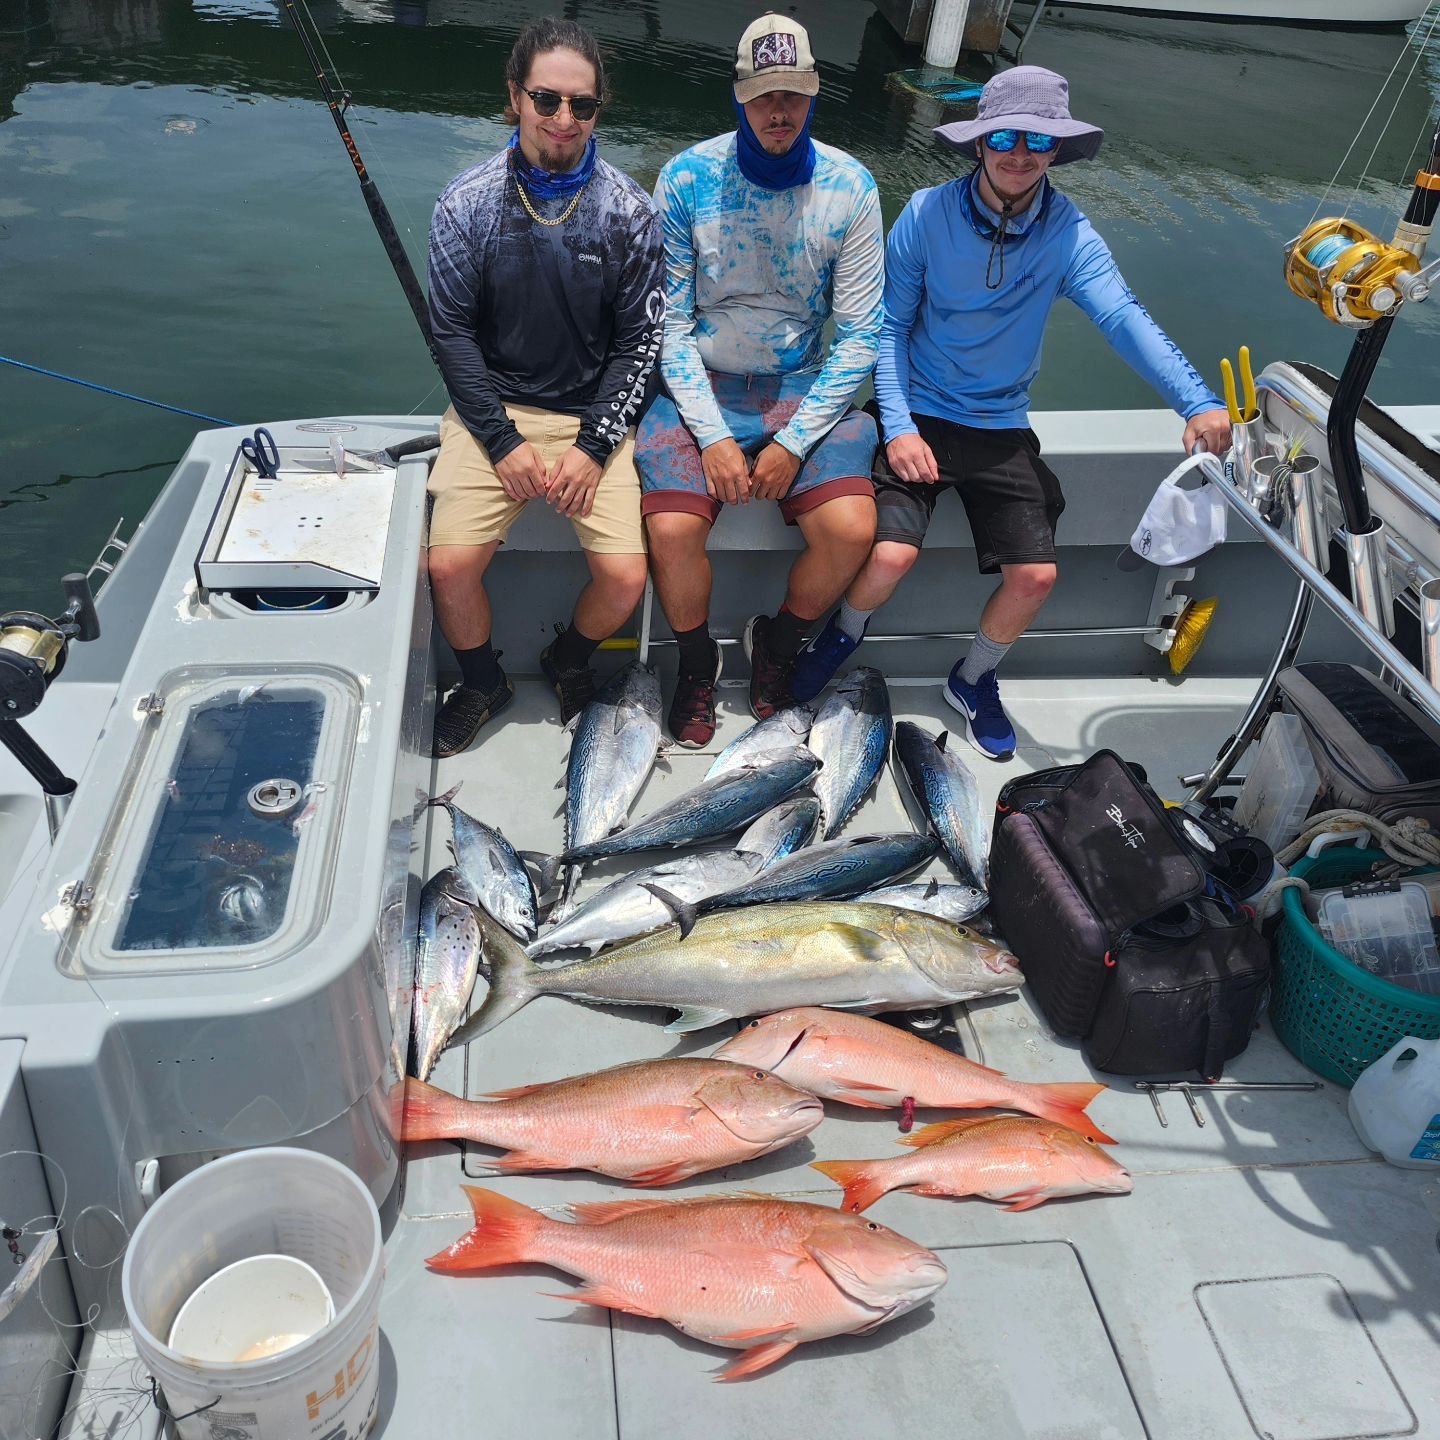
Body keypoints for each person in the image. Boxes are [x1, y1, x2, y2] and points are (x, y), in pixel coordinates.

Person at [790, 66, 1232, 761]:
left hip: (1000, 426)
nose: (1019, 152)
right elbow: (887, 328)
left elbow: (1121, 315)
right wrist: (899, 427)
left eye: (1039, 139)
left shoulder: (1070, 232)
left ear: (1057, 150)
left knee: (1036, 577)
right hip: (921, 411)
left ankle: (973, 679)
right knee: (889, 555)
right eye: (1004, 136)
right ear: (978, 143)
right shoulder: (927, 212)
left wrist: (1197, 398)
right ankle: (843, 634)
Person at [635, 13, 883, 746]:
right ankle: (697, 664)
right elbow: (667, 326)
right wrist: (711, 435)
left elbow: (861, 333)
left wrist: (796, 441)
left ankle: (777, 644)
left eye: (794, 96)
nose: (779, 112)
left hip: (802, 380)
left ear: (814, 93)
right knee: (673, 530)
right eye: (764, 95)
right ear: (739, 95)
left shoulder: (852, 186)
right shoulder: (684, 178)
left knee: (851, 530)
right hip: (700, 379)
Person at [425, 18, 665, 756]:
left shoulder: (630, 212)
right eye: (546, 99)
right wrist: (499, 440)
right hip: (490, 412)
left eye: (581, 105)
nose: (563, 118)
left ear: (599, 108)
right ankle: (482, 681)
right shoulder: (464, 204)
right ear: (515, 98)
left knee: (625, 578)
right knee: (449, 566)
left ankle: (569, 658)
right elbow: (452, 336)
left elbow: (641, 345)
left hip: (592, 416)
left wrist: (594, 446)